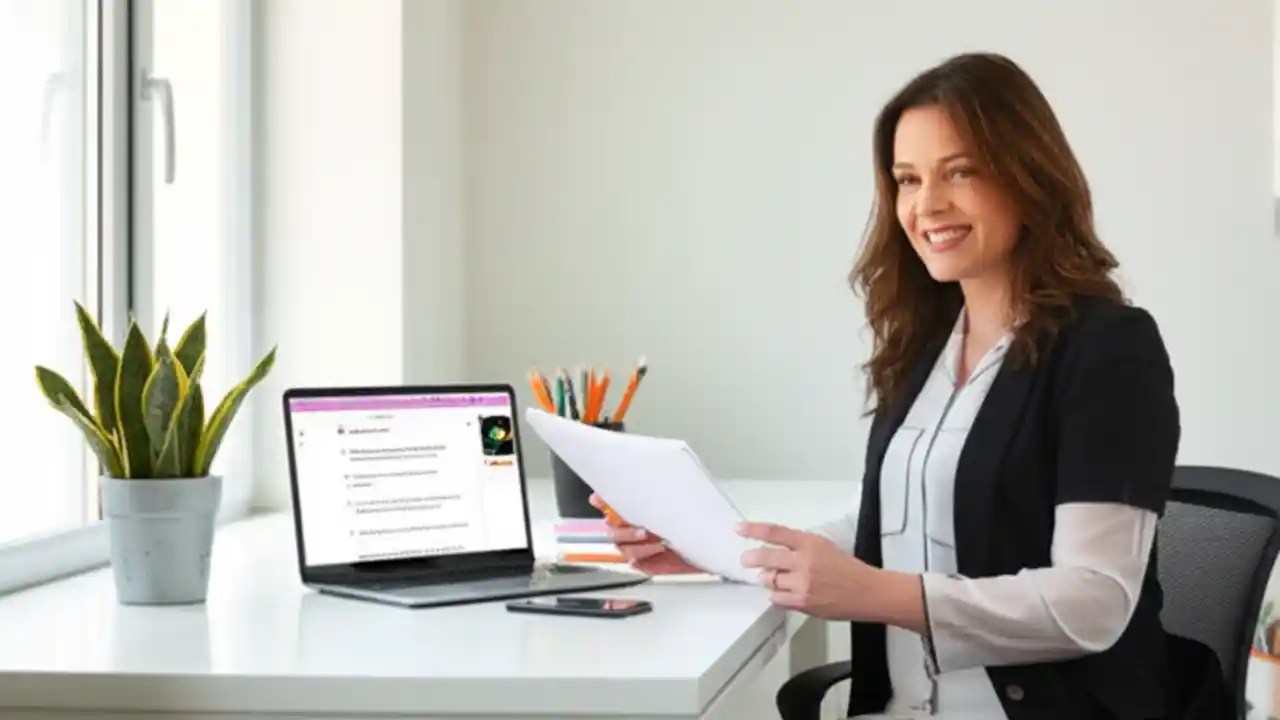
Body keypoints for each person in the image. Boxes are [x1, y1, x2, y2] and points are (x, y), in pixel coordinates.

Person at [591, 52, 1227, 719]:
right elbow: (892, 529)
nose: (927, 205)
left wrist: (873, 593)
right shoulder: (926, 344)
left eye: (960, 172)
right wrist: (719, 552)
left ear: (1028, 178)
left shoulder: (1108, 348)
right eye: (907, 179)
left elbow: (1093, 601)